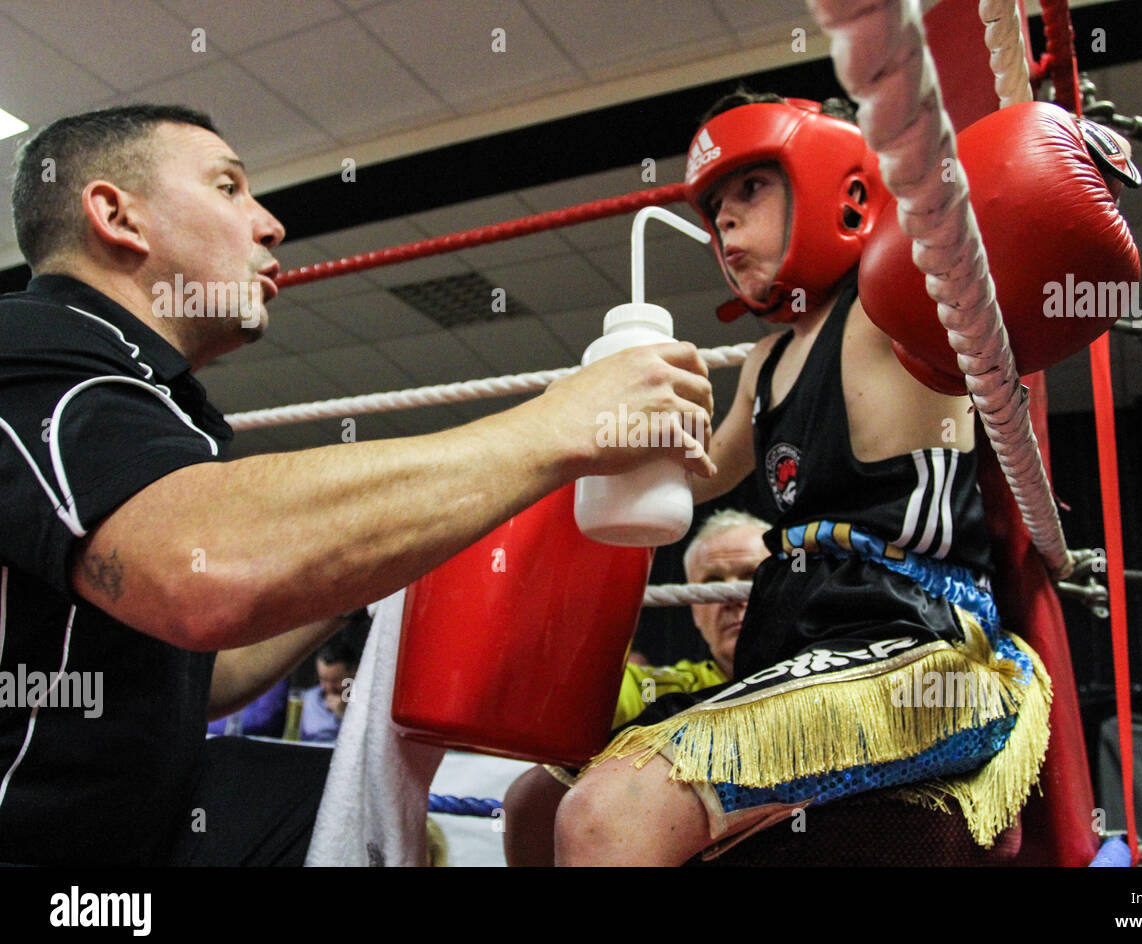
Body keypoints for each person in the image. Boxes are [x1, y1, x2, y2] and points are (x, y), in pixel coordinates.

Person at [0, 104, 715, 866]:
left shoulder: (159, 402)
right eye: (229, 187)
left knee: (375, 818)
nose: (269, 225)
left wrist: (395, 554)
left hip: (136, 814)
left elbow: (206, 679)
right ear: (117, 216)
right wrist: (558, 425)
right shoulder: (31, 349)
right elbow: (200, 570)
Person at [552, 91, 1071, 866]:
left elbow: (975, 231)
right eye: (715, 206)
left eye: (751, 189)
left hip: (922, 642)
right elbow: (697, 475)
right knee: (542, 798)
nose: (724, 223)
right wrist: (575, 448)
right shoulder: (764, 364)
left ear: (847, 192)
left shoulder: (895, 295)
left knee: (610, 812)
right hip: (795, 639)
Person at [502, 509, 770, 865]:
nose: (732, 596)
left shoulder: (839, 684)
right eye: (712, 583)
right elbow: (548, 688)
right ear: (693, 608)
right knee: (535, 790)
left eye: (749, 577)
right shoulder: (659, 690)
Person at [298, 619, 367, 744]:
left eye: (336, 681)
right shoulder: (310, 698)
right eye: (323, 679)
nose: (328, 687)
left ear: (354, 672)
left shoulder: (362, 701)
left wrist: (344, 712)